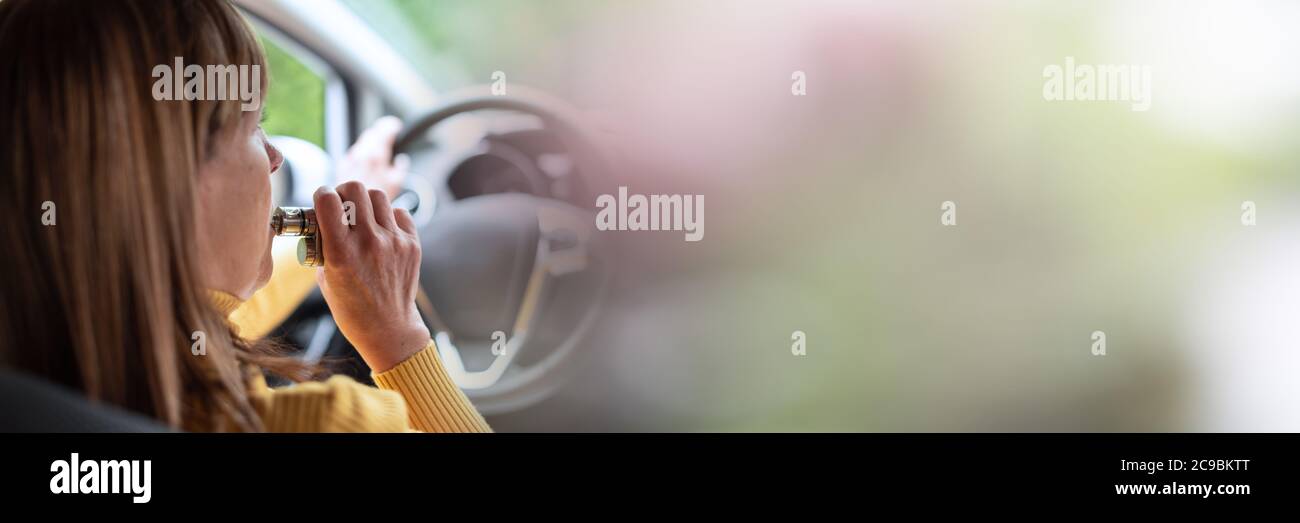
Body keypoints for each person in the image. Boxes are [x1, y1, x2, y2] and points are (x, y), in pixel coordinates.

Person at [0, 0, 490, 432]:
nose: (276, 157)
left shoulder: (49, 366)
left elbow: (197, 309)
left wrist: (332, 245)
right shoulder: (328, 424)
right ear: (173, 180)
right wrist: (398, 336)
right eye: (255, 125)